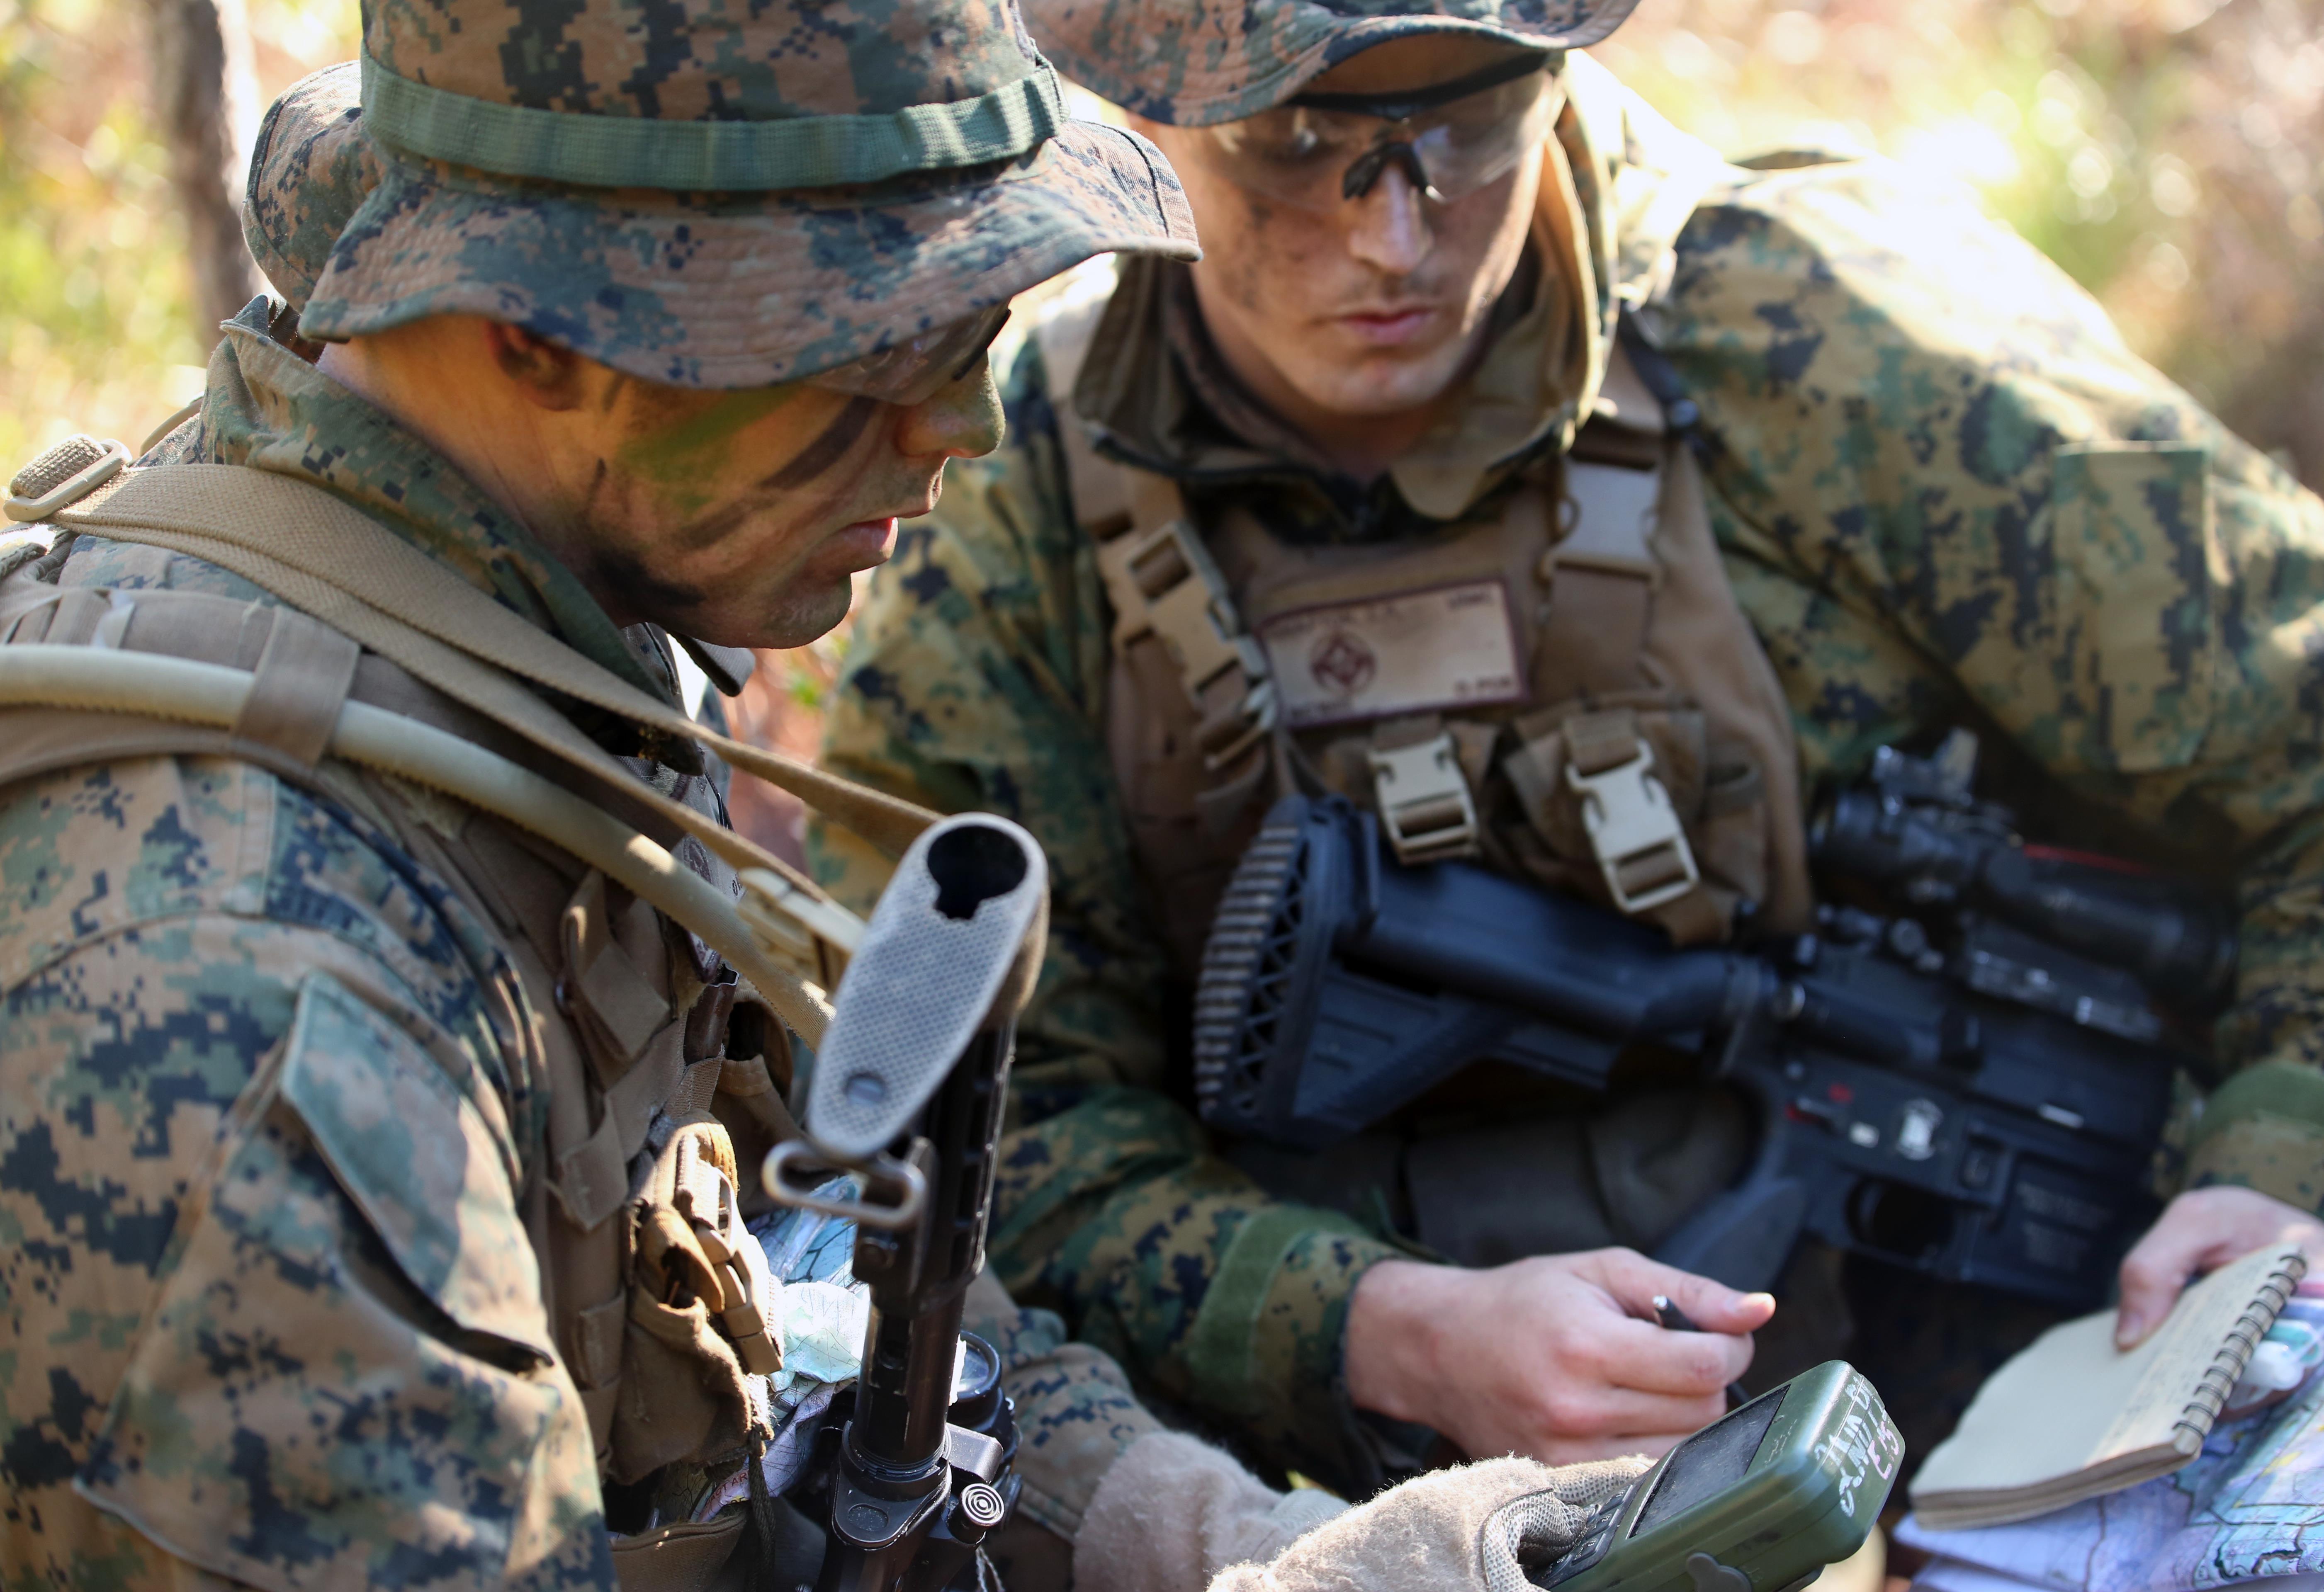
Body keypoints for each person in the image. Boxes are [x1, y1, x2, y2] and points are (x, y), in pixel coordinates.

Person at [812, 0, 2324, 1494]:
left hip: (2024, 1286)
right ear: (1150, 120)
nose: (1394, 239)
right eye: (1294, 149)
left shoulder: (1828, 350)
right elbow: (973, 1134)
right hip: (1330, 1448)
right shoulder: (1009, 507)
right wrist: (1372, 1330)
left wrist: (2274, 1160)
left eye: (1464, 132)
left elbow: (2300, 740)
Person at [0, 1, 1242, 1582]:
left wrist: (1199, 1535)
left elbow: (809, 1279)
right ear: (532, 330)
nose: (964, 426)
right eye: (874, 339)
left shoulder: (531, 586)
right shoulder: (255, 1041)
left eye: (982, 325)